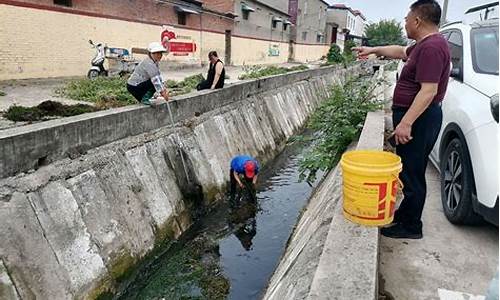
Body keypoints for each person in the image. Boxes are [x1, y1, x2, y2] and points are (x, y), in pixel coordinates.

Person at [354, 0, 450, 239]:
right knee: (409, 169)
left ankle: (411, 226)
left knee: (412, 173)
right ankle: (405, 217)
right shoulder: (423, 45)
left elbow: (428, 90)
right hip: (417, 117)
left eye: (407, 19)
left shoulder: (431, 48)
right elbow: (399, 51)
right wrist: (373, 50)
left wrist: (405, 123)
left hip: (420, 119)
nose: (405, 23)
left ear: (417, 20)